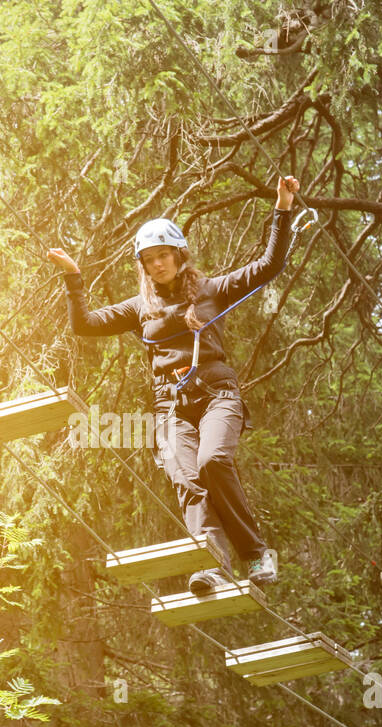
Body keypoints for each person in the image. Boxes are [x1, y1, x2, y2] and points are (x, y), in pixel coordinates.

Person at [47, 175, 301, 595]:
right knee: (187, 480)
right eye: (149, 259)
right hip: (171, 407)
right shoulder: (140, 308)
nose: (157, 264)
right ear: (143, 265)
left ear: (179, 255)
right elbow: (85, 324)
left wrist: (282, 208)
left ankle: (256, 553)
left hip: (218, 395)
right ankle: (215, 566)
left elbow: (269, 266)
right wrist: (74, 277)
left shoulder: (210, 290)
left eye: (164, 255)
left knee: (213, 462)